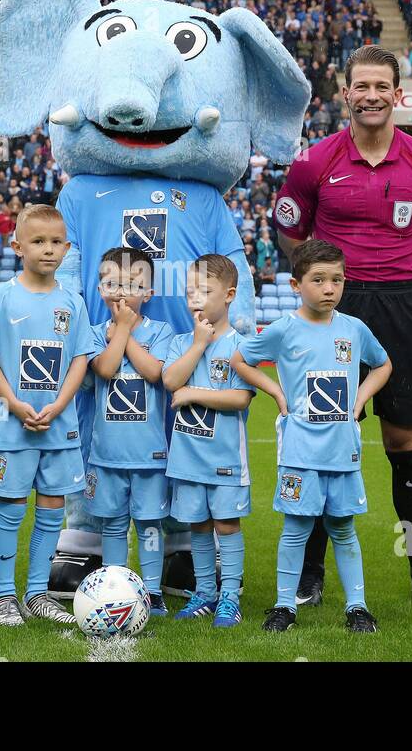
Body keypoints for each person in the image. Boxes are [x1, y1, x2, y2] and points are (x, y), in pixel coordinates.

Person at [273, 45, 412, 609]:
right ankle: (310, 575)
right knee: (319, 444)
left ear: (398, 95)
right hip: (334, 312)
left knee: (406, 445)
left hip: (403, 311)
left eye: (383, 86)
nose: (373, 96)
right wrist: (328, 282)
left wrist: (400, 276)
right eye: (363, 86)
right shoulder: (314, 162)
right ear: (346, 93)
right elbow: (291, 234)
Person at [233, 239, 391, 634]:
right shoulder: (284, 329)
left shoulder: (353, 329)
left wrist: (359, 401)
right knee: (297, 528)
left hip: (342, 450)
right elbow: (240, 359)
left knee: (342, 527)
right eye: (318, 280)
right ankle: (285, 605)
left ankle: (357, 607)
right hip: (301, 450)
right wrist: (275, 392)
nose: (329, 288)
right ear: (295, 285)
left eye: (336, 280)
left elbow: (383, 364)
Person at [0, 203, 93, 627]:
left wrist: (60, 405)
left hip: (60, 426)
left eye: (56, 242)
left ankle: (37, 593)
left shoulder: (72, 302)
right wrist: (13, 402)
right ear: (16, 245)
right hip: (13, 425)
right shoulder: (1, 298)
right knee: (10, 505)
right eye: (38, 241)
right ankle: (5, 596)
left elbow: (80, 357)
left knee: (52, 506)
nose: (48, 250)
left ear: (67, 248)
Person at [161, 254, 255, 628]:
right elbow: (170, 381)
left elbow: (240, 398)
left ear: (230, 294)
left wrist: (192, 394)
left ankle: (229, 595)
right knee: (197, 526)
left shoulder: (241, 345)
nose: (195, 299)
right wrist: (198, 345)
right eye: (189, 292)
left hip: (225, 458)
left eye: (205, 291)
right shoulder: (182, 341)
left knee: (226, 525)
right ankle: (204, 593)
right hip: (187, 459)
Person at [83, 247, 175, 616]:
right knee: (114, 524)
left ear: (148, 292)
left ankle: (151, 591)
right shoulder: (92, 333)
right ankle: (115, 588)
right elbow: (104, 369)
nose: (121, 291)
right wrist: (119, 328)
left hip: (149, 452)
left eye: (132, 284)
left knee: (150, 523)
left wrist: (124, 331)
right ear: (100, 288)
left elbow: (155, 373)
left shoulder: (162, 331)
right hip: (106, 454)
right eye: (112, 283)